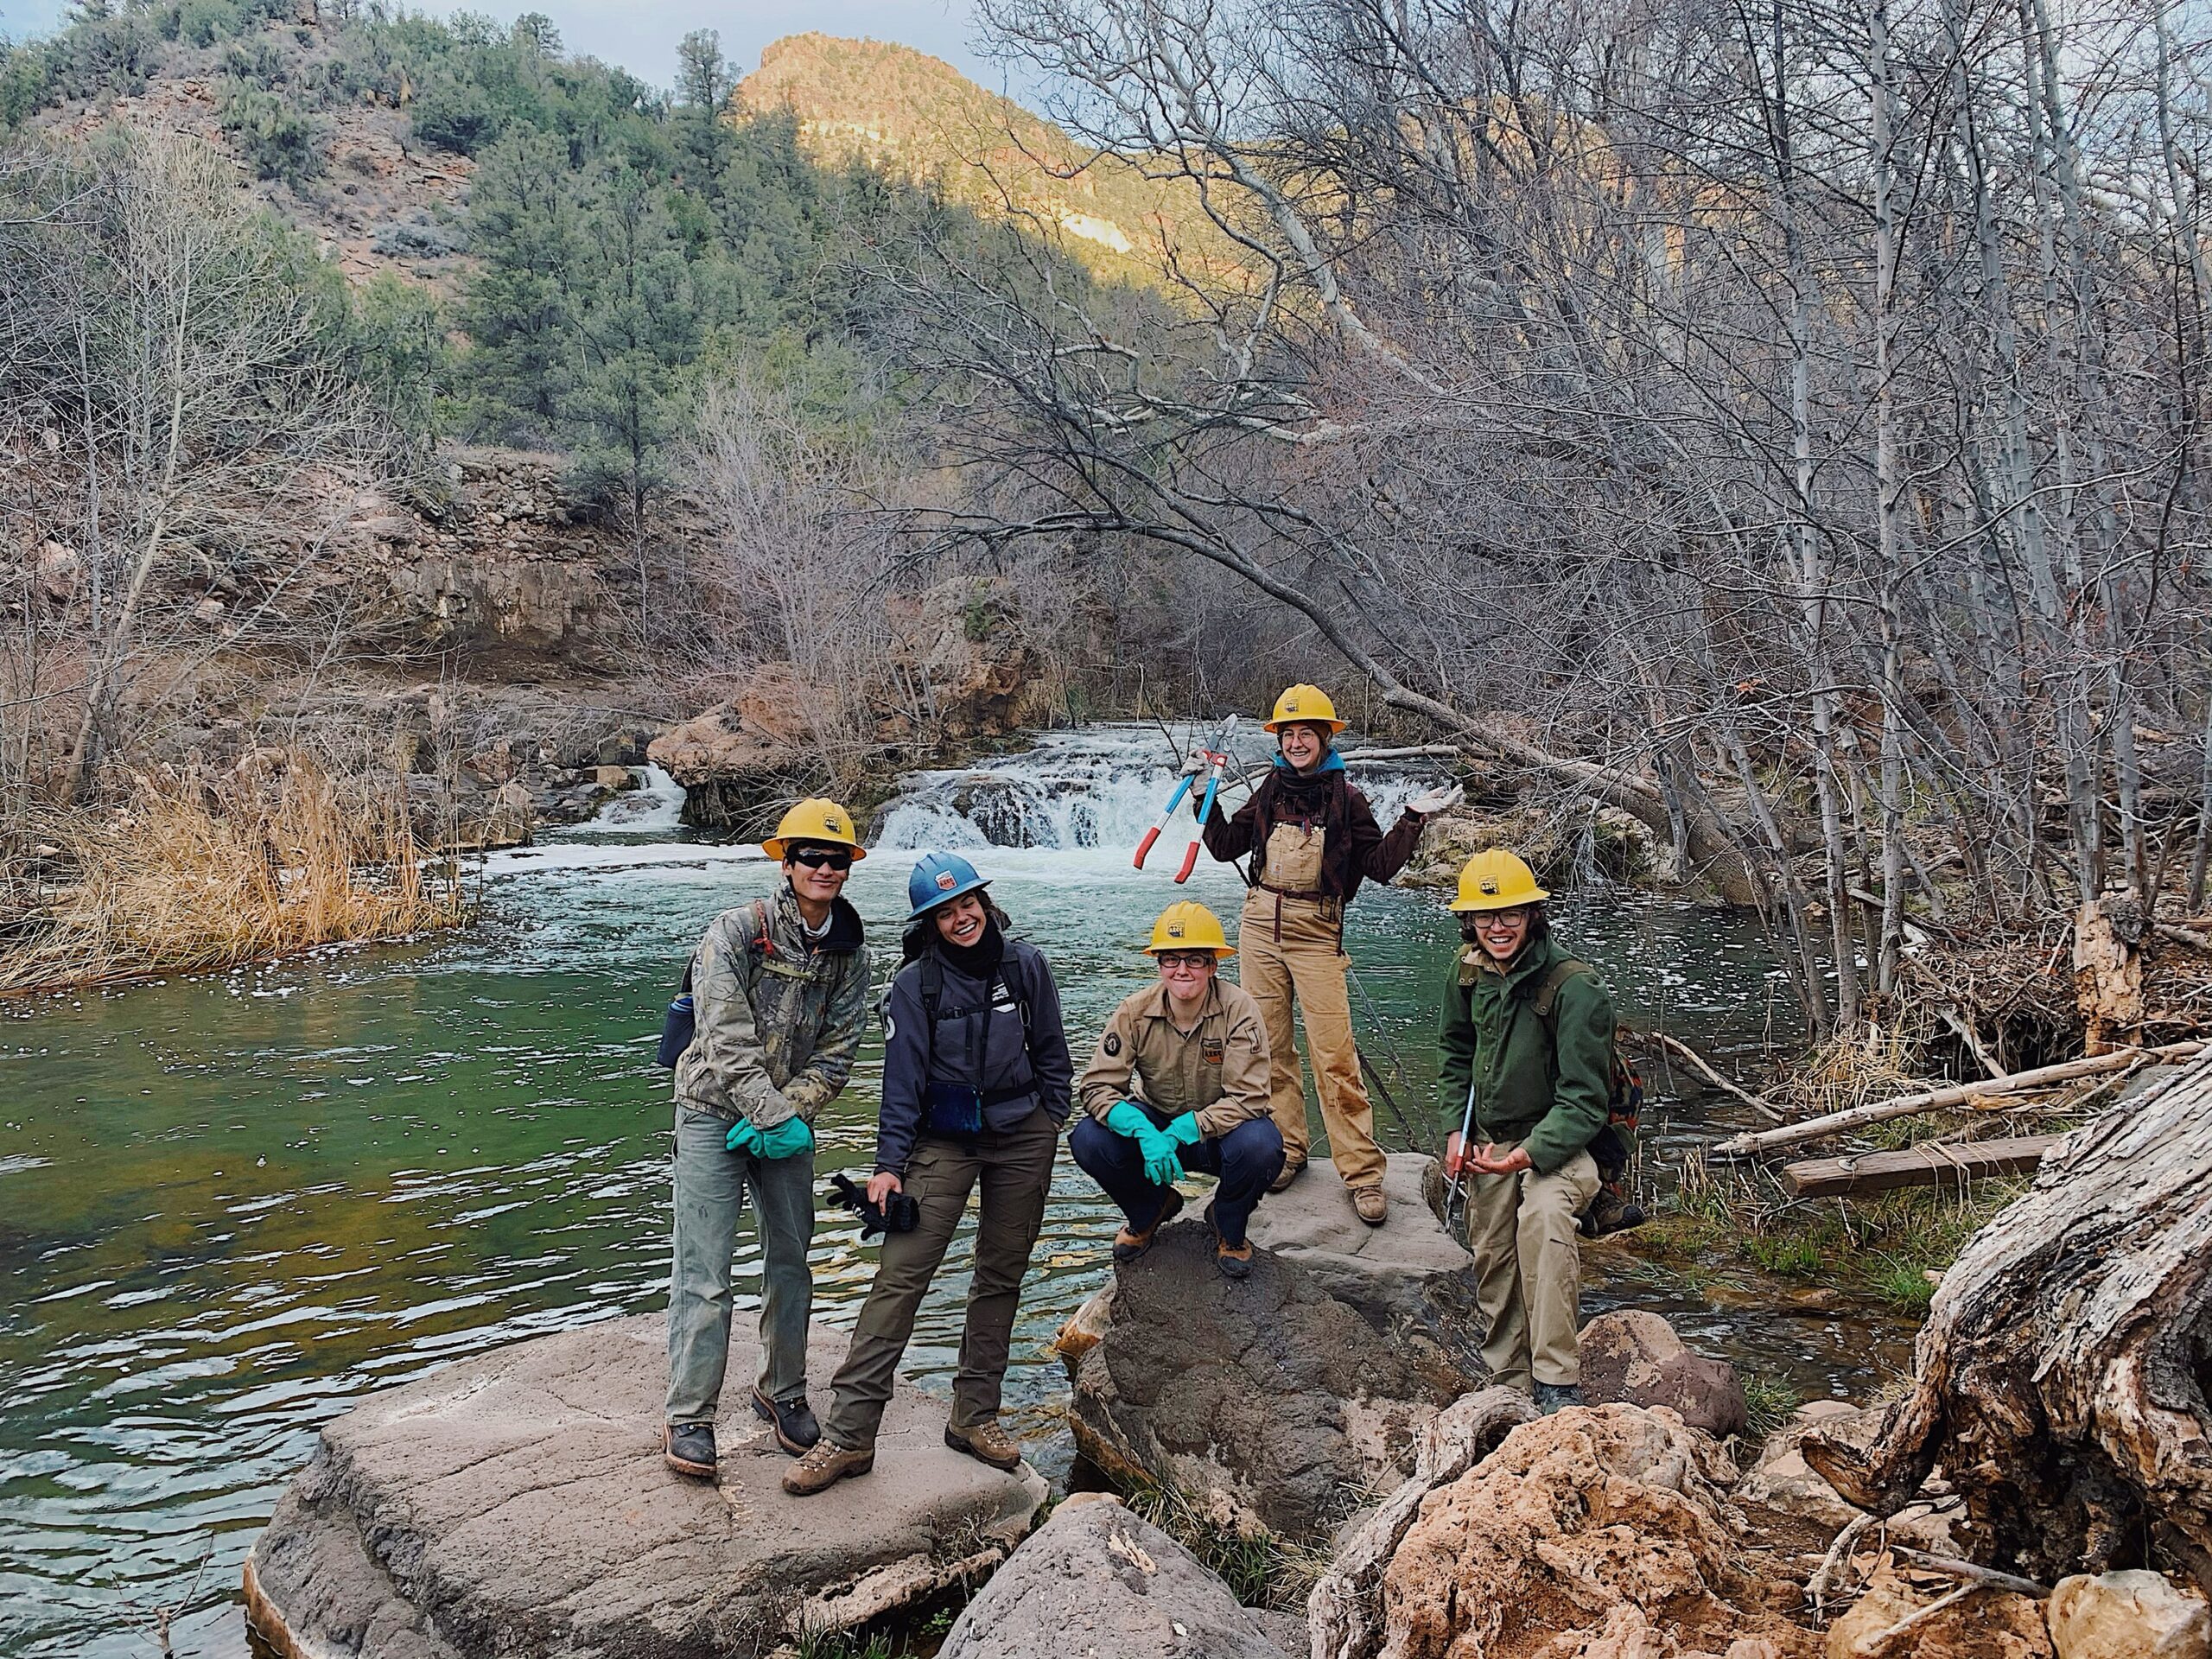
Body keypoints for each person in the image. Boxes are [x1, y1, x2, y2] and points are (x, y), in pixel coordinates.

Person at [784, 853, 1073, 1497]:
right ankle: (849, 1436)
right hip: (942, 1143)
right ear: (930, 923)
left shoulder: (1024, 966)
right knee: (901, 1278)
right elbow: (902, 1084)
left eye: (966, 904)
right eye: (945, 912)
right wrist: (889, 1167)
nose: (960, 918)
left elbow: (1054, 1054)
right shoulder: (915, 986)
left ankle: (975, 1417)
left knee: (1001, 1274)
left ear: (984, 902)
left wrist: (1049, 1121)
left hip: (1023, 1135)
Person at [1196, 683, 1462, 1225]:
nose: (1296, 741)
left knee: (1334, 1057)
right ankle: (1289, 1152)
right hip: (1259, 928)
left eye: (1305, 733)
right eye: (1287, 733)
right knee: (1268, 1049)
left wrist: (1412, 819)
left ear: (1324, 738)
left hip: (1318, 933)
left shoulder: (1347, 799)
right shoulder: (1270, 789)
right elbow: (1226, 846)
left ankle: (1362, 1174)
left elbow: (1380, 866)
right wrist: (1205, 798)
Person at [663, 798, 873, 1479]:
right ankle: (690, 1415)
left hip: (784, 1123)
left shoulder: (850, 952)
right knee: (707, 1271)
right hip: (709, 1113)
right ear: (787, 861)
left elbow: (839, 1052)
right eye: (811, 855)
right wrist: (770, 1114)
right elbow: (721, 1036)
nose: (824, 867)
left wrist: (790, 1113)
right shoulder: (733, 931)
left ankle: (780, 1392)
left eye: (836, 858)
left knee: (792, 1259)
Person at [1438, 849, 1612, 1413]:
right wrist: (1453, 1132)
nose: (1497, 926)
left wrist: (1526, 1156)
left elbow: (1585, 1101)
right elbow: (1455, 1055)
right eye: (1485, 917)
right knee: (1492, 1248)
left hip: (1562, 1145)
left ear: (1533, 915)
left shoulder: (1575, 988)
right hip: (1490, 1138)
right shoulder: (1465, 974)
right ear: (1469, 922)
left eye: (1510, 913)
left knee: (1542, 1221)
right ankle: (1510, 1380)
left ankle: (1557, 1381)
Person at [1069, 900, 1284, 1278]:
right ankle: (1149, 1209)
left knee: (1263, 1146)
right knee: (1088, 1138)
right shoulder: (1134, 1012)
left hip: (1221, 1133)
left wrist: (1189, 1128)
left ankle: (1228, 1223)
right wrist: (1142, 1130)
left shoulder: (1240, 1010)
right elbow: (1098, 1086)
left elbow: (1250, 1098)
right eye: (1171, 959)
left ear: (1213, 966)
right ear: (1159, 965)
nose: (1182, 970)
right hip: (1155, 1127)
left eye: (1195, 959)